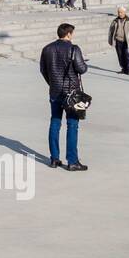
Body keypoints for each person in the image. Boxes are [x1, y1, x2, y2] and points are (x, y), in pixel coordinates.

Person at [40, 23, 88, 171]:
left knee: (55, 123)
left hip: (55, 92)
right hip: (71, 94)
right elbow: (81, 69)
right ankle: (72, 161)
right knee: (72, 125)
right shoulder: (74, 48)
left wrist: (52, 83)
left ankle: (54, 159)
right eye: (71, 33)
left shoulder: (47, 49)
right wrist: (85, 65)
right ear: (68, 34)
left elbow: (43, 70)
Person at [108, 6, 129, 75]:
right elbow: (111, 31)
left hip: (127, 41)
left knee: (128, 55)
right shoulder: (115, 21)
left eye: (121, 12)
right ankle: (123, 68)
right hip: (118, 40)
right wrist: (110, 40)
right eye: (119, 12)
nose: (120, 14)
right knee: (120, 56)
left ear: (125, 13)